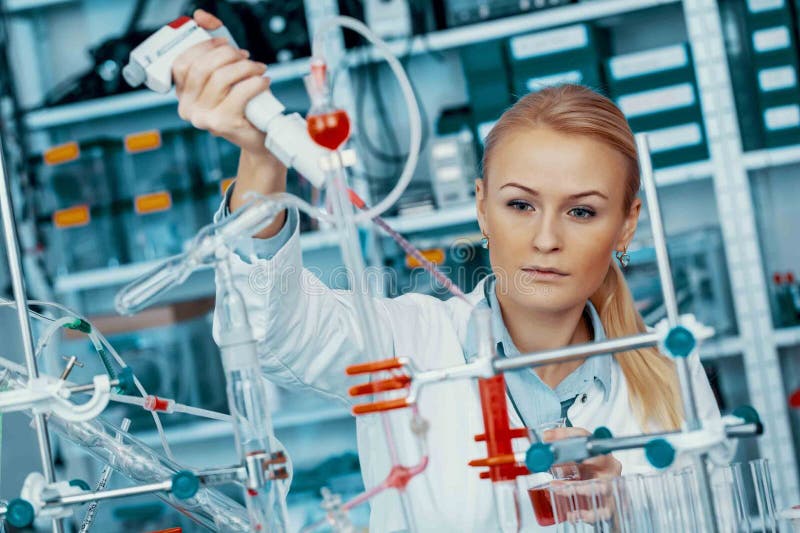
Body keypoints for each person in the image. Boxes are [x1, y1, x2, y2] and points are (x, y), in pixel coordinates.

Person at [173, 10, 725, 532]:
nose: (547, 239)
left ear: (627, 225)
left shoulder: (669, 366)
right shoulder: (404, 341)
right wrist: (260, 154)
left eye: (582, 211)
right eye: (520, 205)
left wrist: (623, 509)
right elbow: (268, 329)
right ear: (482, 208)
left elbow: (723, 517)